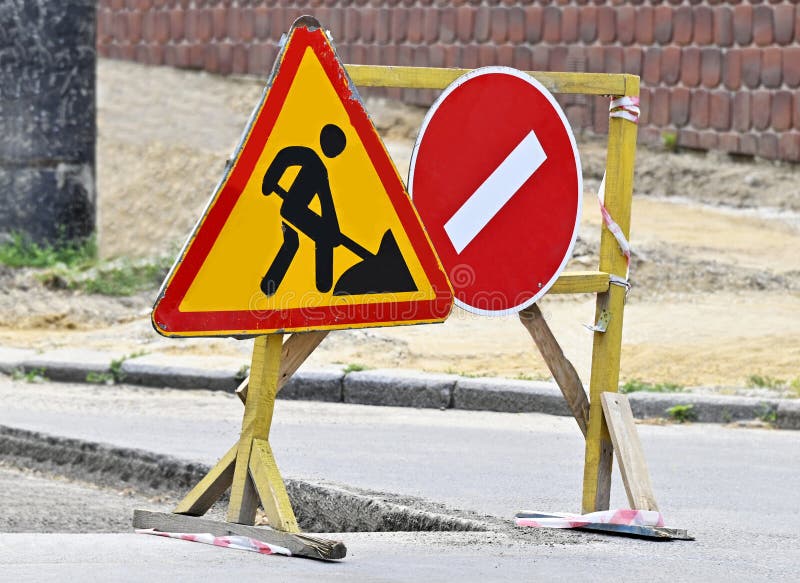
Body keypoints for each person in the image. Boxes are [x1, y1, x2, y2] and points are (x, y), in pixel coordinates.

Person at [260, 124, 346, 296]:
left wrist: (334, 230)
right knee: (315, 238)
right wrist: (269, 182)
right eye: (334, 145)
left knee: (307, 241)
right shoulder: (312, 159)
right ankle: (323, 283)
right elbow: (285, 156)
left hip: (294, 211)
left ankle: (322, 283)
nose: (334, 151)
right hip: (292, 210)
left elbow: (326, 200)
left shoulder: (320, 169)